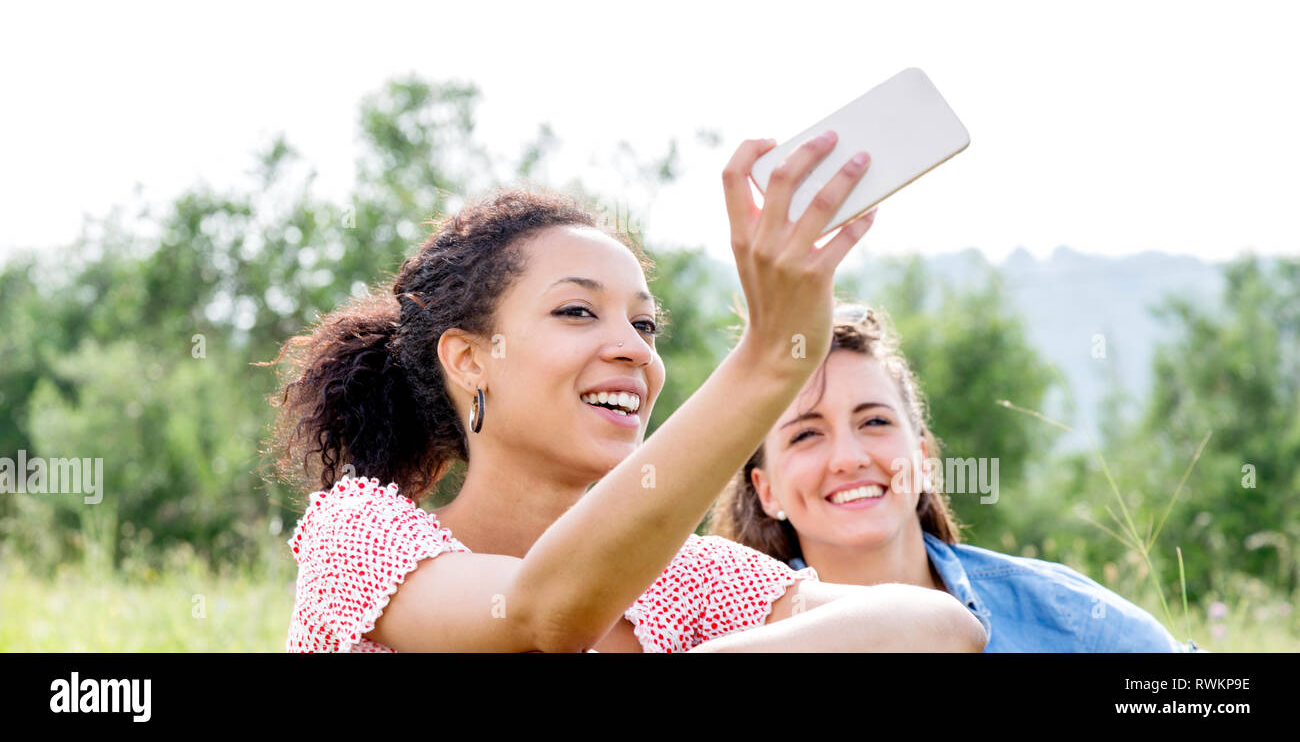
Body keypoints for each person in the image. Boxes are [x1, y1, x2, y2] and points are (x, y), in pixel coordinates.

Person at [265, 135, 989, 652]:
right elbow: (540, 617)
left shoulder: (688, 579)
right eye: (577, 311)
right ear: (469, 359)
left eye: (645, 324)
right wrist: (767, 359)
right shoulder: (359, 535)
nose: (634, 350)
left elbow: (941, 630)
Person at [710, 302, 1189, 652]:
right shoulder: (731, 640)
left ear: (922, 459)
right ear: (766, 490)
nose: (848, 458)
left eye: (874, 421)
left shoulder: (1061, 615)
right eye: (806, 435)